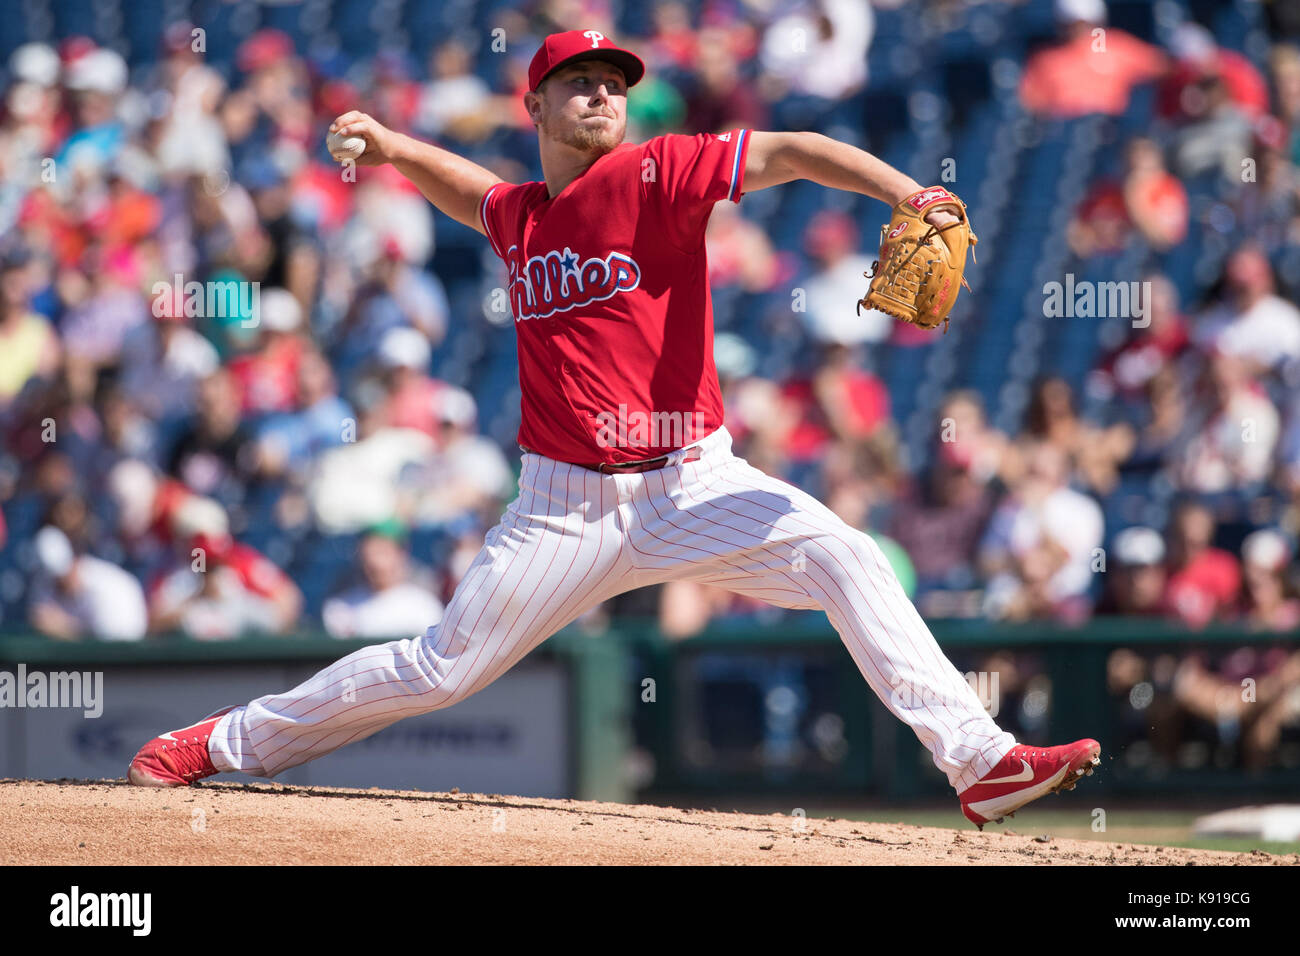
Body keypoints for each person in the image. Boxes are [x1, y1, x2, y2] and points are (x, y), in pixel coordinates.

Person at [127, 30, 1100, 828]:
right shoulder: (521, 217)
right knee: (436, 667)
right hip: (563, 508)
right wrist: (393, 146)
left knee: (848, 556)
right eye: (577, 83)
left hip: (692, 480)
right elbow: (471, 193)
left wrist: (907, 192)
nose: (600, 95)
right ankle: (220, 743)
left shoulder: (658, 172)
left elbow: (793, 151)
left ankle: (979, 761)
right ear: (536, 108)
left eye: (611, 84)